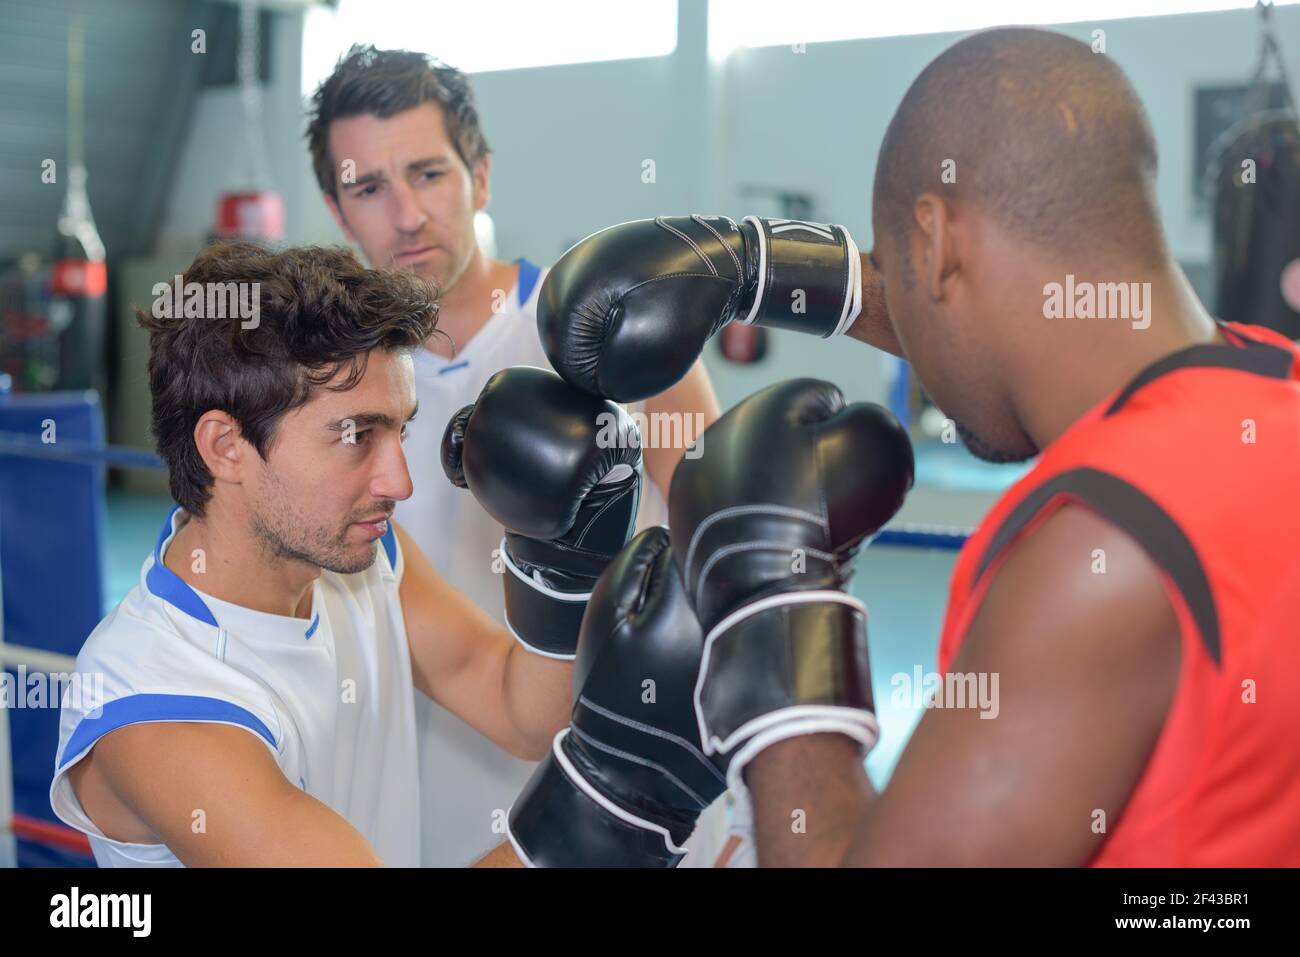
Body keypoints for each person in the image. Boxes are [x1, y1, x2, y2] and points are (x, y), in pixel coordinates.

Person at [536, 27, 1300, 866]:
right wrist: (755, 268)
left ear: (937, 244)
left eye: (904, 259)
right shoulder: (1269, 386)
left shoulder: (1100, 555)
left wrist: (770, 615)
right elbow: (1023, 320)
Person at [49, 243, 641, 866]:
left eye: (400, 429)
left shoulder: (358, 558)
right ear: (225, 447)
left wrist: (571, 571)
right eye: (356, 434)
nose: (401, 483)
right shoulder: (156, 703)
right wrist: (628, 810)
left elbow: (519, 709)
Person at [305, 46, 723, 865]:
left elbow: (729, 552)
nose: (407, 214)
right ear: (336, 206)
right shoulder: (326, 387)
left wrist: (758, 777)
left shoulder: (611, 335)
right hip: (428, 782)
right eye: (368, 188)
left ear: (481, 177)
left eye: (428, 173)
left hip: (624, 778)